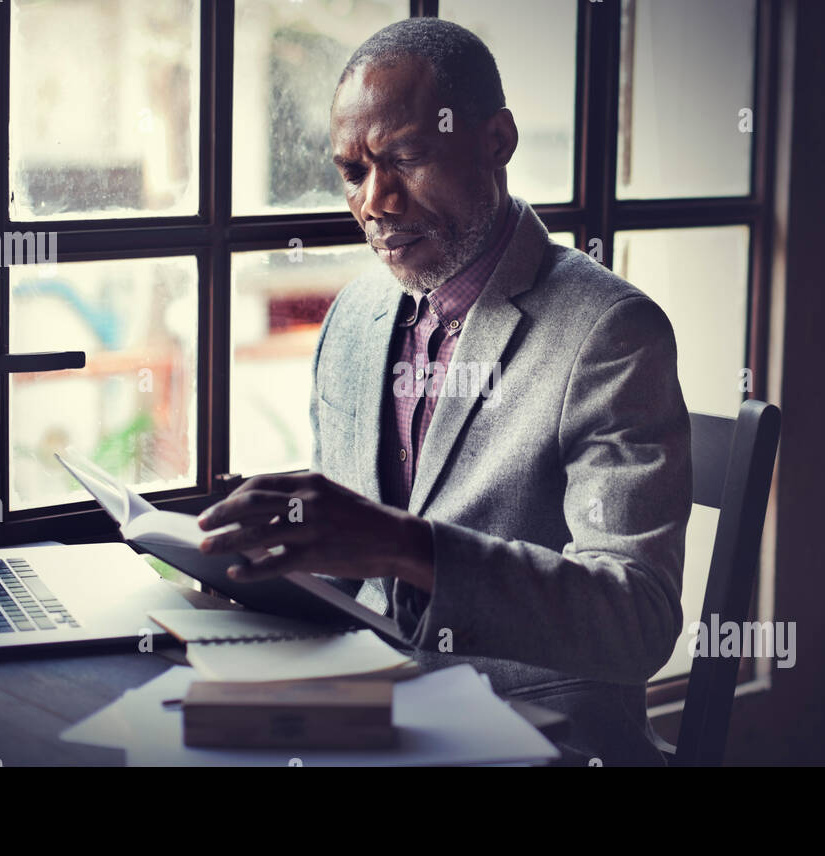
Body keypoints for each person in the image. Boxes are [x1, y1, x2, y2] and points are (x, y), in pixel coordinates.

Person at [198, 17, 691, 764]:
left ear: (497, 141)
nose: (376, 202)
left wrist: (406, 547)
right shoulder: (355, 316)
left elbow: (638, 620)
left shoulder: (612, 333)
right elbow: (345, 566)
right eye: (352, 173)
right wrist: (242, 561)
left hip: (541, 735)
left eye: (406, 157)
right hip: (365, 713)